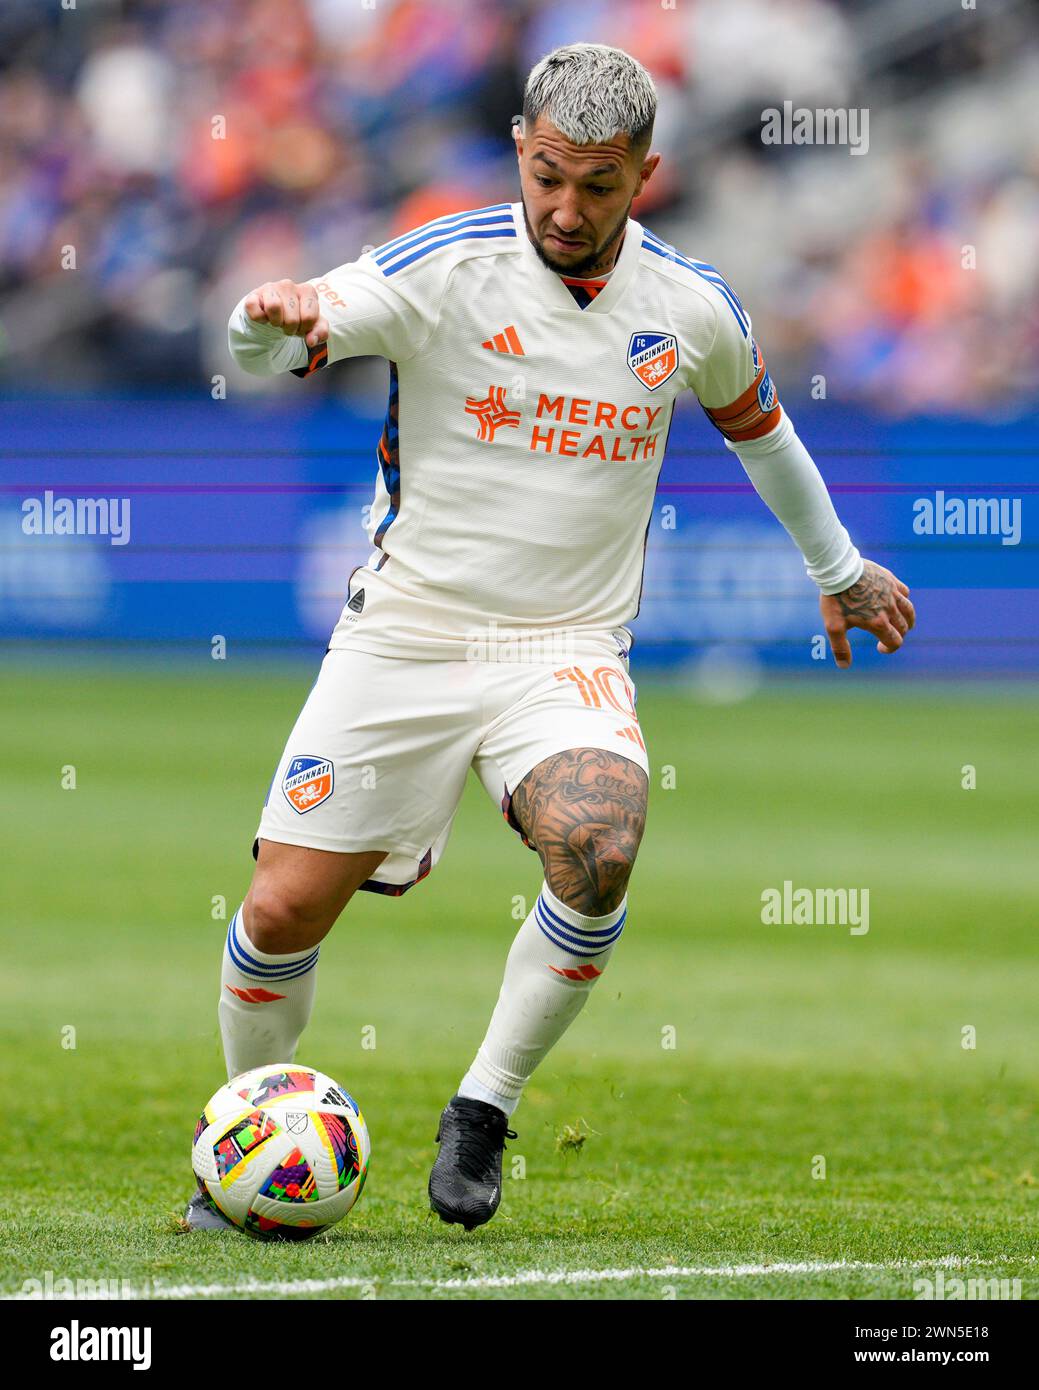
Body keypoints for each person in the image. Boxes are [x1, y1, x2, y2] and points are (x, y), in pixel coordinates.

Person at [187, 42, 915, 1234]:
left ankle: (484, 1102)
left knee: (598, 840)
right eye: (545, 177)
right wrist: (269, 320)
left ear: (647, 174)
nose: (564, 209)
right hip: (406, 634)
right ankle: (246, 1134)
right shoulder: (442, 264)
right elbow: (274, 344)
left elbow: (764, 433)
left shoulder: (690, 307)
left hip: (564, 647)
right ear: (519, 151)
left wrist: (835, 569)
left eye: (598, 185)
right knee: (279, 916)